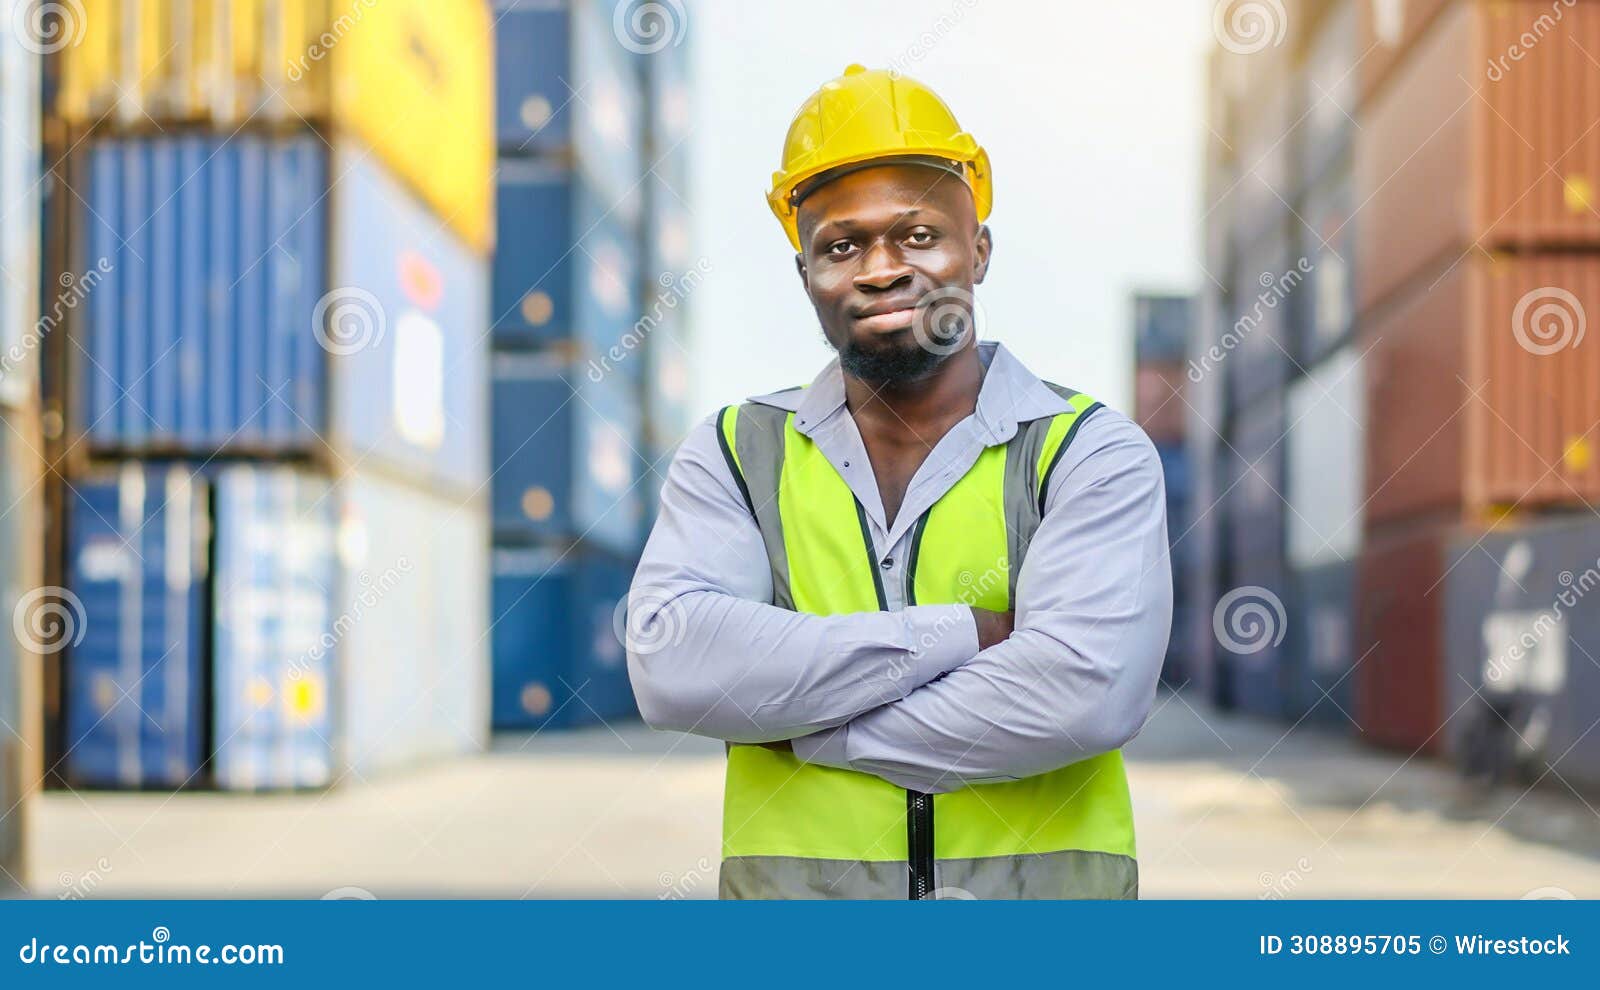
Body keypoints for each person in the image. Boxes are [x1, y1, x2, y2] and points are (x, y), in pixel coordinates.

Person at [627, 65, 1171, 900]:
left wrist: (808, 725)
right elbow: (673, 666)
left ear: (978, 251)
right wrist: (964, 634)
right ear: (805, 274)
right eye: (840, 246)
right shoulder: (738, 452)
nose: (881, 269)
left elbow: (1083, 694)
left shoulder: (1086, 452)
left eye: (918, 235)